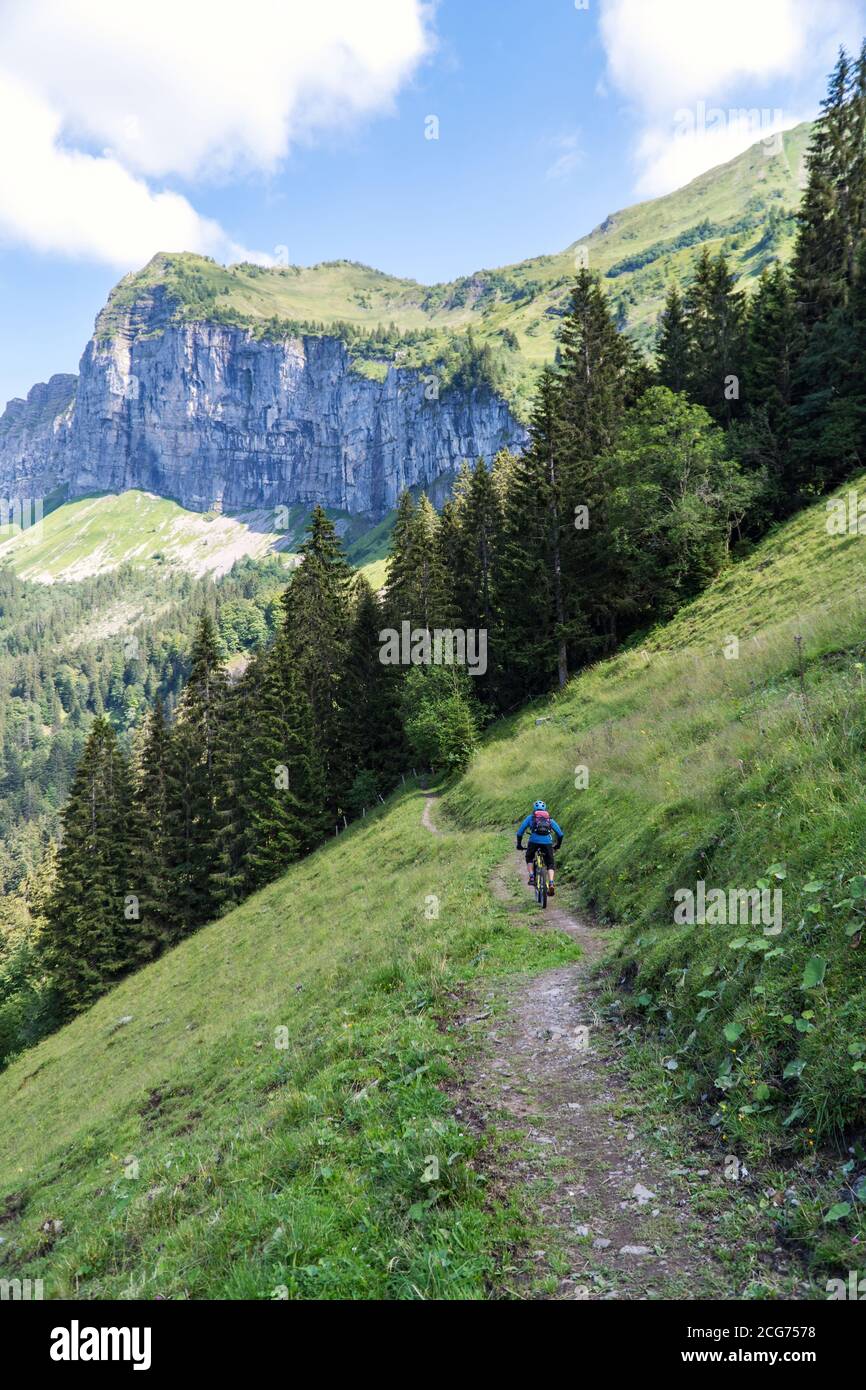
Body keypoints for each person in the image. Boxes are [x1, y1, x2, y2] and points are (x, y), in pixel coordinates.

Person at [516, 800, 564, 896]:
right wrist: (558, 845)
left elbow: (519, 832)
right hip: (547, 843)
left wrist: (519, 844)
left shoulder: (530, 818)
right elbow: (560, 834)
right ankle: (551, 882)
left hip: (533, 841)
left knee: (529, 857)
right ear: (544, 809)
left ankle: (532, 876)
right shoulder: (549, 819)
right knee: (550, 863)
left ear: (534, 809)